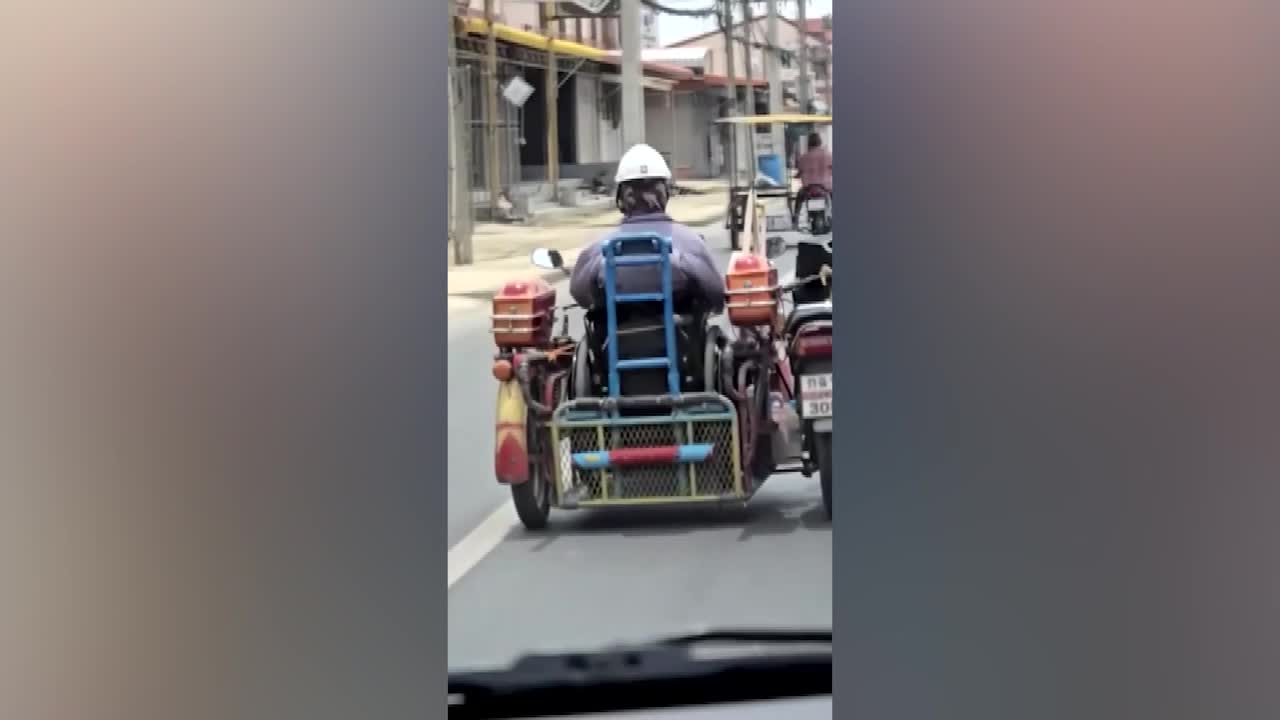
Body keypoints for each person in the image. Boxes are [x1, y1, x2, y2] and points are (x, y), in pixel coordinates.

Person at [569, 143, 725, 316]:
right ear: (664, 193)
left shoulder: (601, 247)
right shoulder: (690, 242)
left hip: (616, 330)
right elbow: (716, 294)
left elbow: (579, 294)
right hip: (683, 330)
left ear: (622, 196)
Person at [790, 131, 833, 229]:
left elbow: (800, 173)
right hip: (825, 188)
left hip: (808, 189)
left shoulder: (803, 157)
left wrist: (796, 176)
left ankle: (795, 220)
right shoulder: (828, 155)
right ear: (820, 142)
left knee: (798, 199)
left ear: (809, 143)